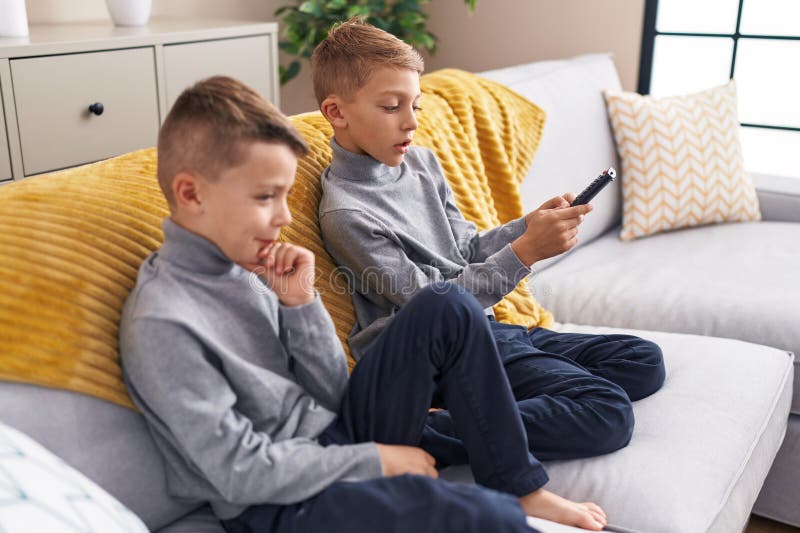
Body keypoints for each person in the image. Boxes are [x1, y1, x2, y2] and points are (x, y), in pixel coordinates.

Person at [119, 75, 610, 533]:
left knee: (447, 304)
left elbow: (333, 393)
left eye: (284, 196)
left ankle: (519, 484)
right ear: (190, 194)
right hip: (281, 501)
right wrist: (376, 460)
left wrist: (301, 306)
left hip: (337, 435)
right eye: (266, 197)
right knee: (489, 518)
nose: (284, 217)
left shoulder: (247, 262)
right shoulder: (164, 320)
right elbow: (238, 474)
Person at [314, 19, 666, 468]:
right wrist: (526, 252)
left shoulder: (421, 164)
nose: (411, 122)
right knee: (607, 410)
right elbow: (437, 309)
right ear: (336, 112)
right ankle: (417, 433)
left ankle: (496, 403)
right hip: (446, 354)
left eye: (416, 105)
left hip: (493, 330)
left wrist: (528, 226)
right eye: (391, 107)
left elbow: (465, 249)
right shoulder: (347, 213)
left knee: (641, 360)